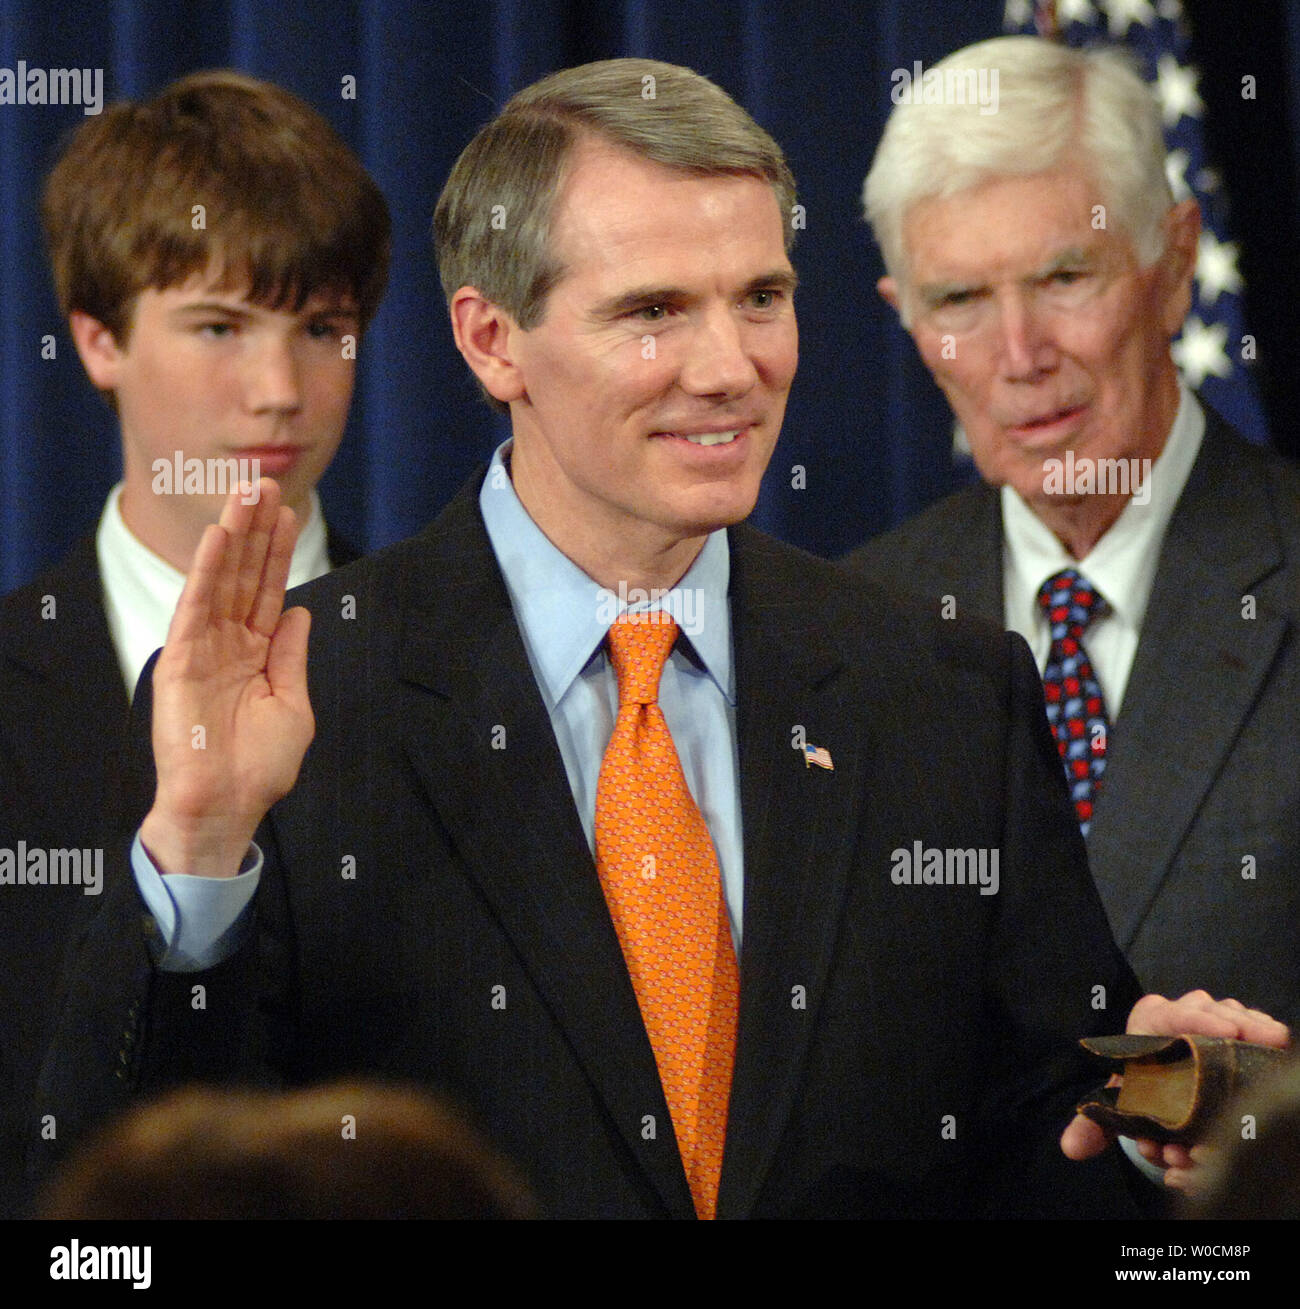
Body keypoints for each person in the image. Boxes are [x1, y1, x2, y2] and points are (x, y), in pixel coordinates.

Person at [34, 57, 1285, 1221]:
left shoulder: (943, 685)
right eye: (653, 311)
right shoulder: (307, 697)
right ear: (491, 341)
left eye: (761, 297)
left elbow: (1038, 1141)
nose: (731, 366)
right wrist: (196, 849)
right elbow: (124, 1207)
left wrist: (1151, 1114)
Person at [846, 37, 1300, 1027]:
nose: (1018, 354)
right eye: (960, 299)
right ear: (907, 320)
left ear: (1172, 267)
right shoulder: (853, 628)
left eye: (1063, 277)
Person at [0, 69, 390, 1217]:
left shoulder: (475, 667)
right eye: (219, 326)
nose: (280, 392)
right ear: (96, 339)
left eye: (323, 330)